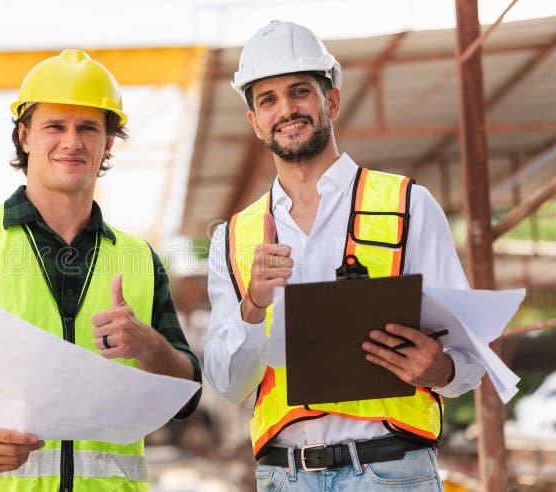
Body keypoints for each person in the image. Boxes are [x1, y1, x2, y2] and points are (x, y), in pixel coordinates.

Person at [0, 49, 202, 492]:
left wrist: (150, 346)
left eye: (87, 128)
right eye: (55, 126)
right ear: (25, 136)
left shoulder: (140, 260)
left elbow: (186, 393)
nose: (71, 141)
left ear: (108, 143)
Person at [204, 20, 485, 491]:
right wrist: (253, 306)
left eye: (300, 92)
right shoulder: (233, 239)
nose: (286, 109)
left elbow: (471, 353)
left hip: (392, 471)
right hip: (284, 475)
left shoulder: (408, 206)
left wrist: (441, 368)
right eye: (267, 100)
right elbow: (229, 385)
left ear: (331, 100)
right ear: (254, 122)